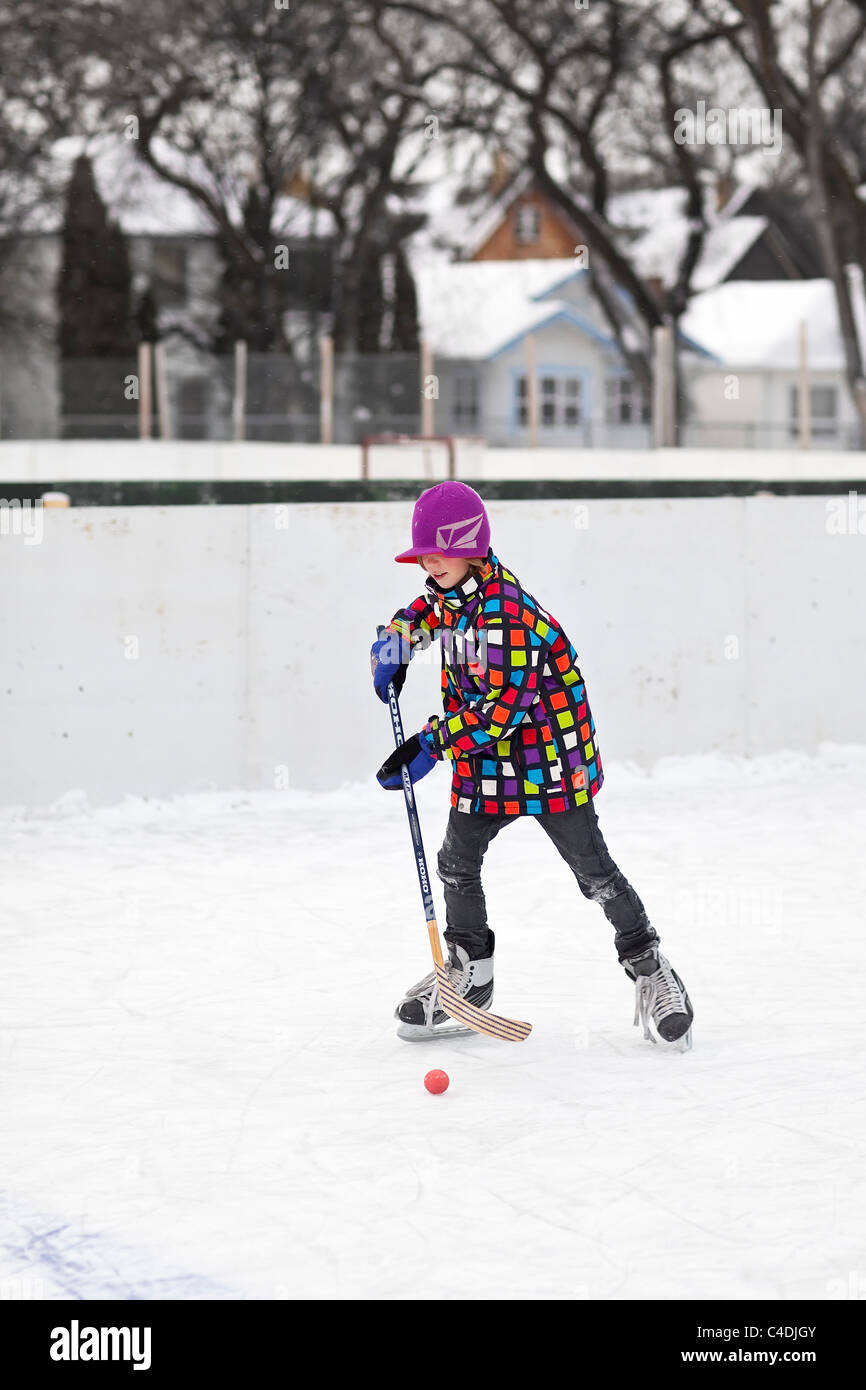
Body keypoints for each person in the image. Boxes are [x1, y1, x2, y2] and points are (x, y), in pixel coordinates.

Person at [370, 480, 693, 1049]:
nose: (427, 563)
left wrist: (429, 743)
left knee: (594, 873)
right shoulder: (454, 592)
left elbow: (498, 713)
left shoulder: (509, 615)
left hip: (548, 761)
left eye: (436, 552)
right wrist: (399, 640)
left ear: (469, 548)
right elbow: (426, 610)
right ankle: (470, 974)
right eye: (422, 555)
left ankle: (650, 965)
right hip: (486, 764)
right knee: (456, 862)